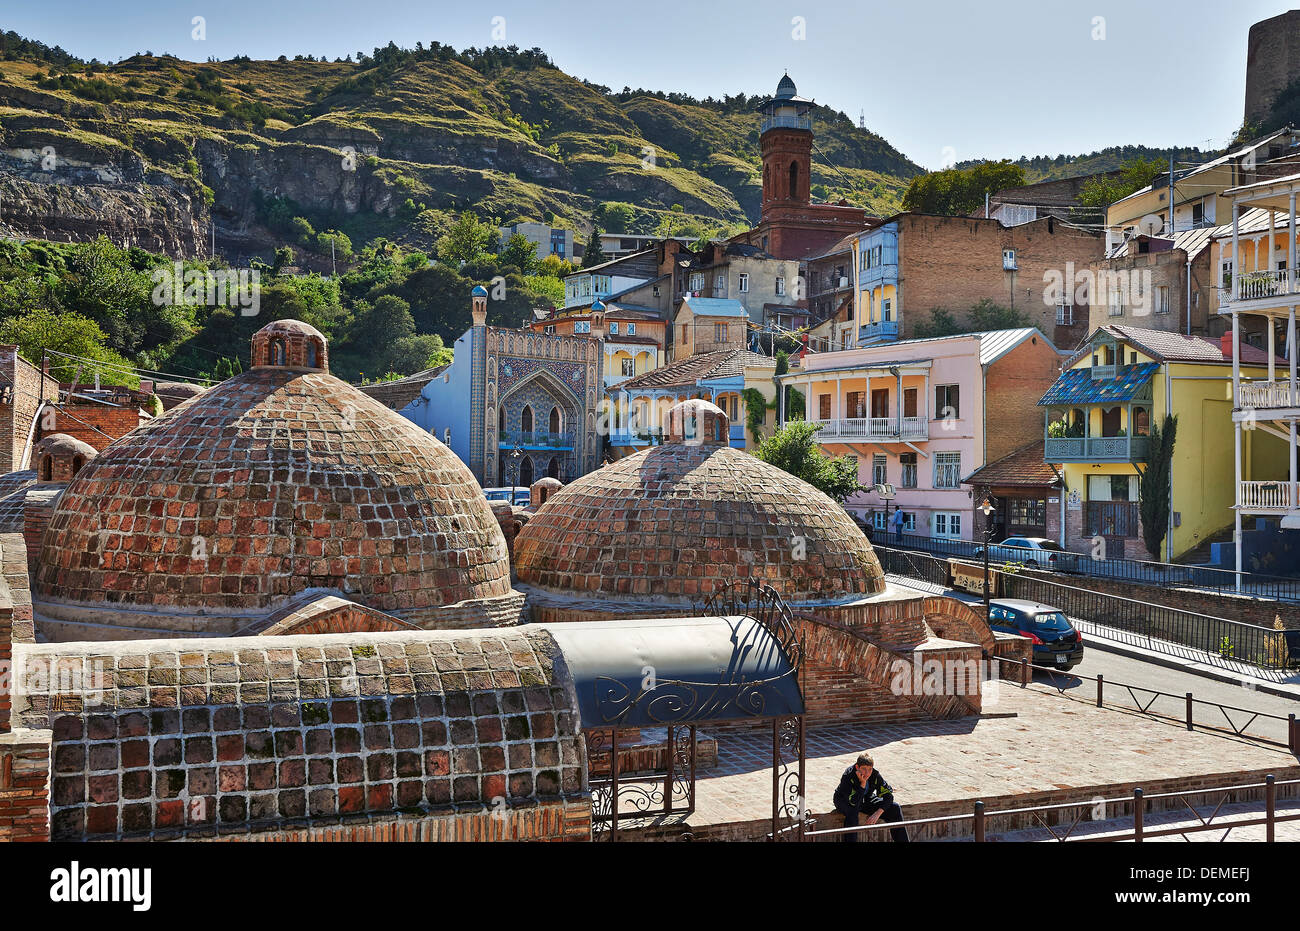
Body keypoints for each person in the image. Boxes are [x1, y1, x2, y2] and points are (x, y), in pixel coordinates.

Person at [832, 752, 909, 842]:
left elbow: (889, 796)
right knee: (852, 813)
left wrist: (878, 813)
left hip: (865, 799)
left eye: (870, 769)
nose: (867, 773)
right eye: (864, 769)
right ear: (857, 767)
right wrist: (863, 784)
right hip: (844, 801)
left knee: (895, 808)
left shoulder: (875, 775)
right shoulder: (848, 776)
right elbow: (854, 802)